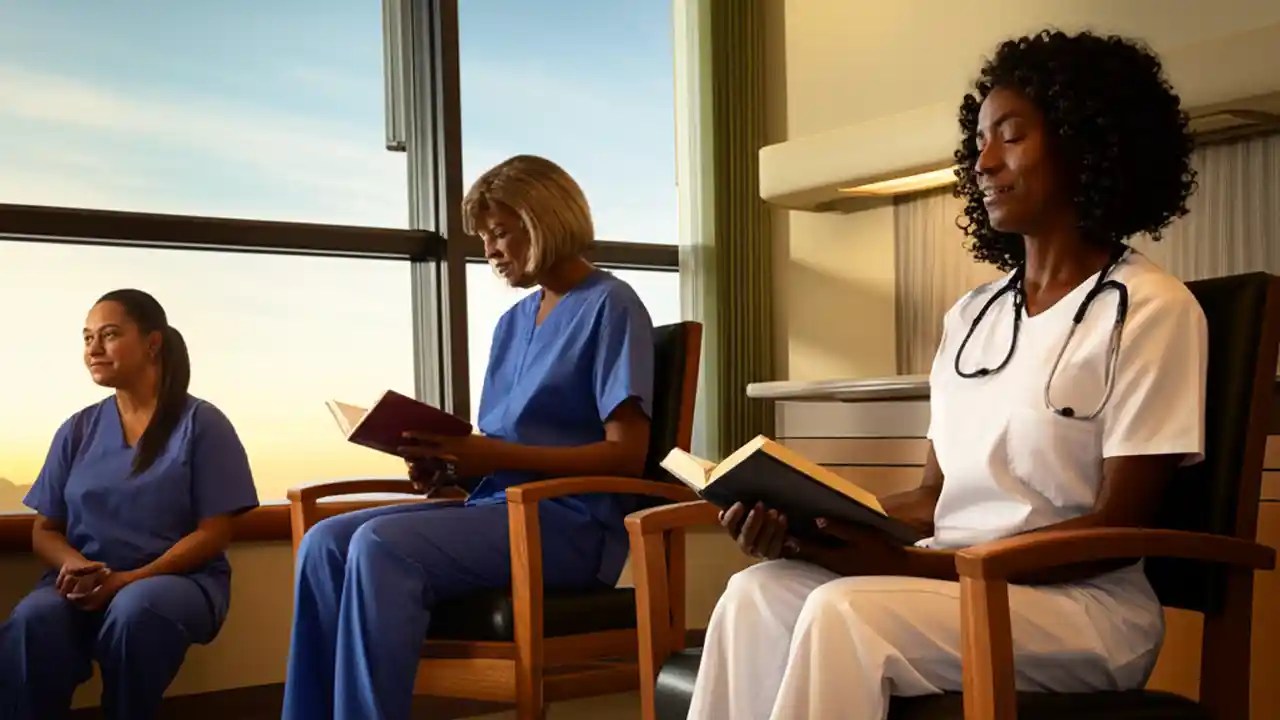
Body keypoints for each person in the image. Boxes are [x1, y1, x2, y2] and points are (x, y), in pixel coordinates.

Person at [690, 29, 1206, 720]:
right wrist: (816, 525)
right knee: (758, 592)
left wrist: (910, 567)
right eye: (980, 142)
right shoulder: (971, 316)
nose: (983, 162)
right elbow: (936, 498)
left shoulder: (1151, 309)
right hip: (954, 582)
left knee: (848, 612)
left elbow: (1120, 523)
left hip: (1081, 612)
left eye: (1011, 137)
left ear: (1087, 143)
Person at [282, 154, 656, 720]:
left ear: (543, 220)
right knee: (325, 543)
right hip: (496, 511)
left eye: (500, 233)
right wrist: (451, 465)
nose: (491, 250)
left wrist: (489, 455)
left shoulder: (612, 304)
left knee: (379, 545)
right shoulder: (512, 325)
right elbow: (501, 449)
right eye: (484, 237)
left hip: (568, 527)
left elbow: (628, 455)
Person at [0, 289, 259, 720]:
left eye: (109, 334)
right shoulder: (77, 429)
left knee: (134, 611)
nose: (93, 349)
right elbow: (44, 529)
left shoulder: (202, 424)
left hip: (176, 581)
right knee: (33, 619)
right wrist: (75, 566)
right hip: (83, 582)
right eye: (87, 338)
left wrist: (128, 579)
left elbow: (215, 532)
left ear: (152, 343)